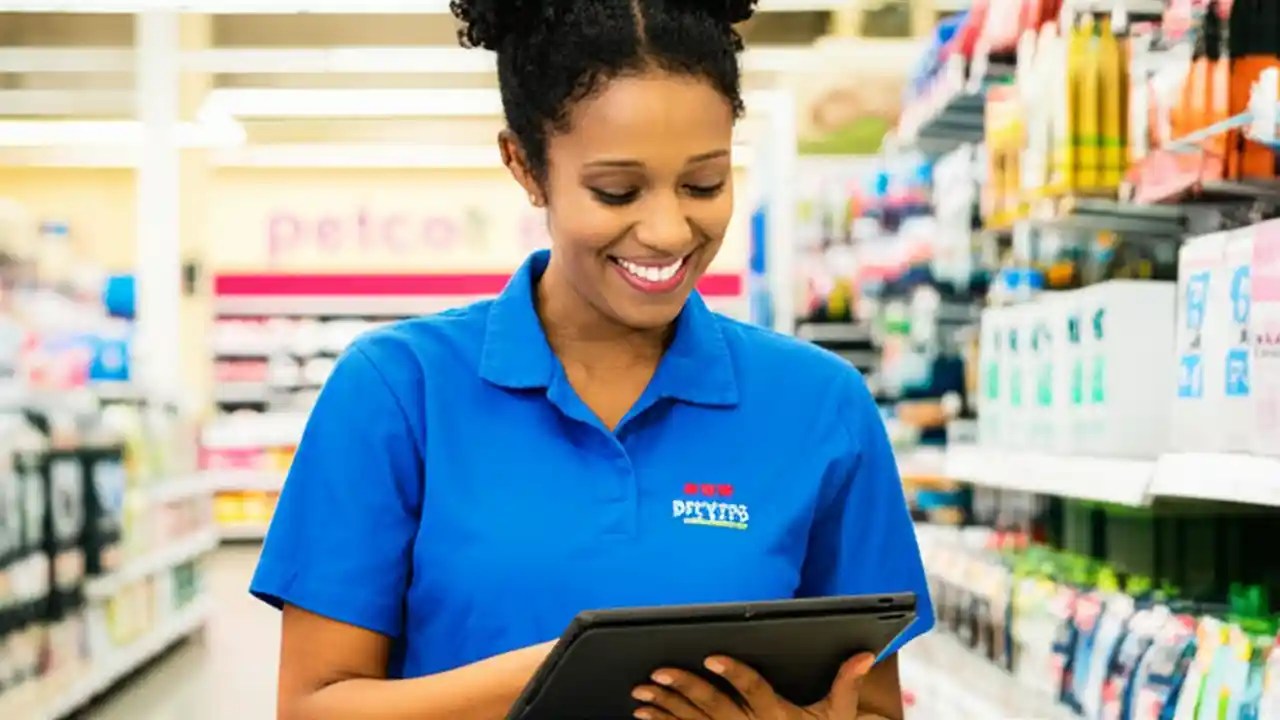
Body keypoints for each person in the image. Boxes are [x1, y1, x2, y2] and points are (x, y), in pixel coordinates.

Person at [249, 0, 935, 718]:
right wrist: (572, 668)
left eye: (704, 183)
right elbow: (314, 707)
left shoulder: (821, 406)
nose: (669, 231)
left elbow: (873, 706)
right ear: (525, 165)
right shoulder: (397, 391)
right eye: (616, 191)